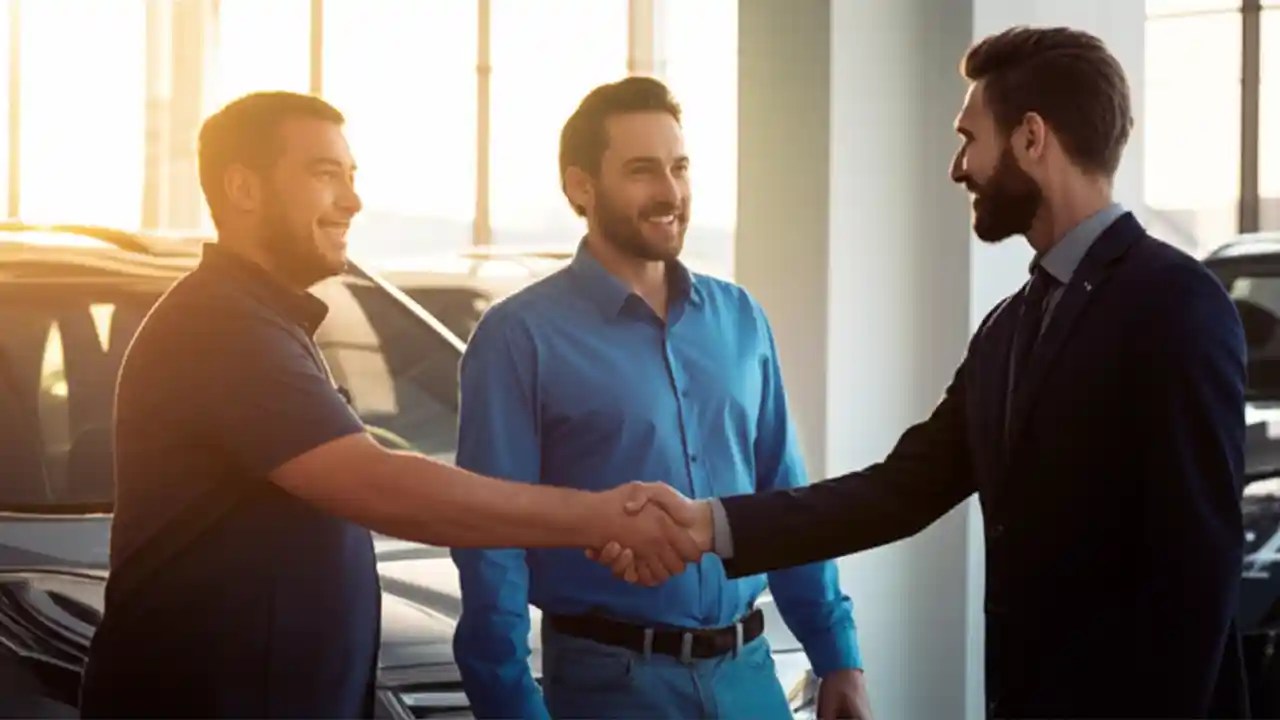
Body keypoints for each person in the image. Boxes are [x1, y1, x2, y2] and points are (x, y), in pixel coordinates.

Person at [600, 26, 1249, 719]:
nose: (958, 167)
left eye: (970, 138)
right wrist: (711, 525)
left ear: (1031, 139)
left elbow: (1199, 577)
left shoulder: (1176, 303)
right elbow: (901, 491)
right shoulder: (1010, 325)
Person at [77, 91, 701, 719]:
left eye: (351, 177)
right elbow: (380, 484)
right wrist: (600, 517)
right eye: (326, 176)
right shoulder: (223, 329)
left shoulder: (264, 321)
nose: (352, 200)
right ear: (243, 187)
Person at [450, 76, 873, 720]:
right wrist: (510, 705)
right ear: (580, 186)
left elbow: (785, 502)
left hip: (750, 681)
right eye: (643, 171)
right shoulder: (519, 337)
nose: (671, 193)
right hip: (610, 686)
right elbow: (489, 540)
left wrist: (837, 655)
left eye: (678, 167)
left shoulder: (739, 318)